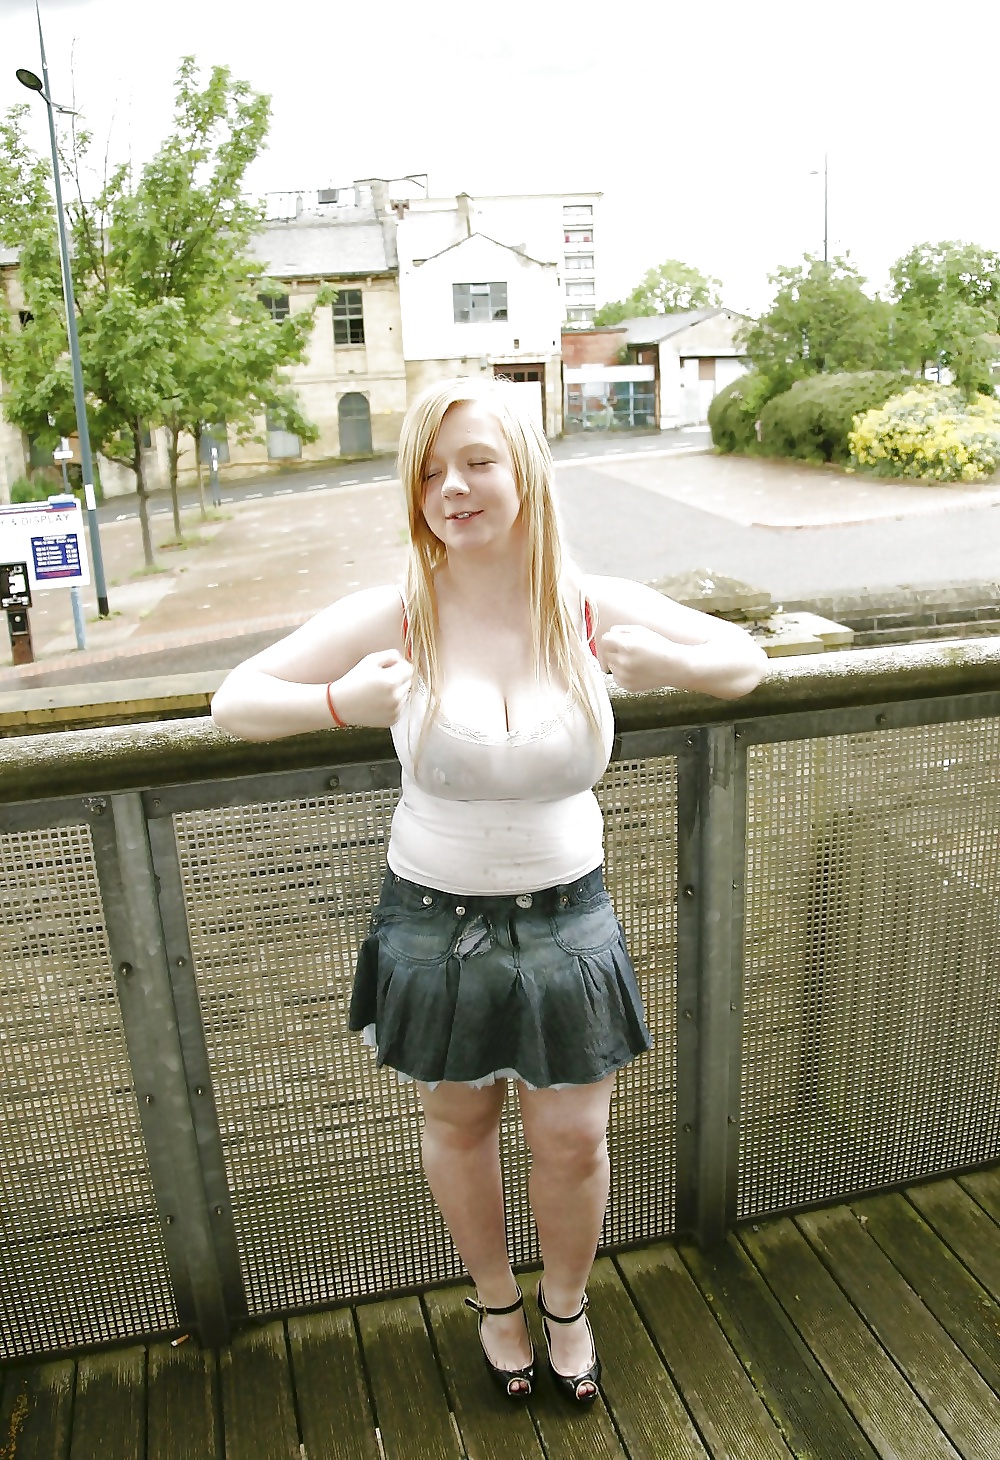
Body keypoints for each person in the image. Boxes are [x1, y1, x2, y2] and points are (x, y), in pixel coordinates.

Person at [211, 377, 767, 1405]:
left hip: (569, 914)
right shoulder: (401, 610)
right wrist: (339, 701)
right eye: (429, 472)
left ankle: (567, 1304)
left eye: (476, 463)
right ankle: (494, 1302)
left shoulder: (587, 604)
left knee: (573, 1137)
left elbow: (745, 659)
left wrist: (668, 662)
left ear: (526, 473)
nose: (452, 489)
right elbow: (235, 699)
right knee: (460, 1123)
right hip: (434, 916)